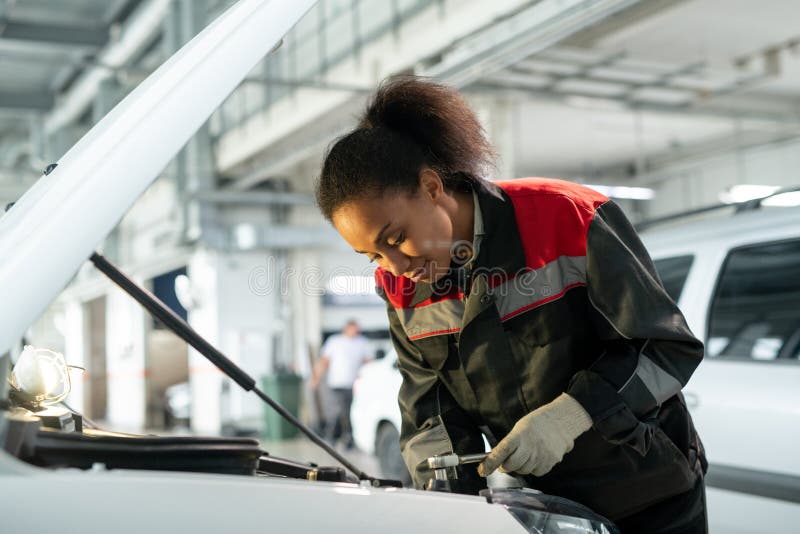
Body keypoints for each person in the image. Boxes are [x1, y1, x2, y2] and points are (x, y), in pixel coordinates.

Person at [315, 76, 707, 532]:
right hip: (540, 509)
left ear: (430, 187)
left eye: (396, 238)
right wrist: (447, 508)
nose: (396, 266)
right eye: (374, 255)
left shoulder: (570, 218)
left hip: (649, 493)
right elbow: (430, 411)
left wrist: (573, 414)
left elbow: (666, 349)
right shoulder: (403, 285)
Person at [310, 319, 372, 448]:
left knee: (348, 411)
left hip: (354, 384)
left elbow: (368, 362)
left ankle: (346, 438)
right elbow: (324, 361)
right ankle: (334, 436)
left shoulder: (362, 342)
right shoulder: (335, 342)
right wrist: (316, 378)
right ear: (346, 328)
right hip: (337, 382)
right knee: (339, 411)